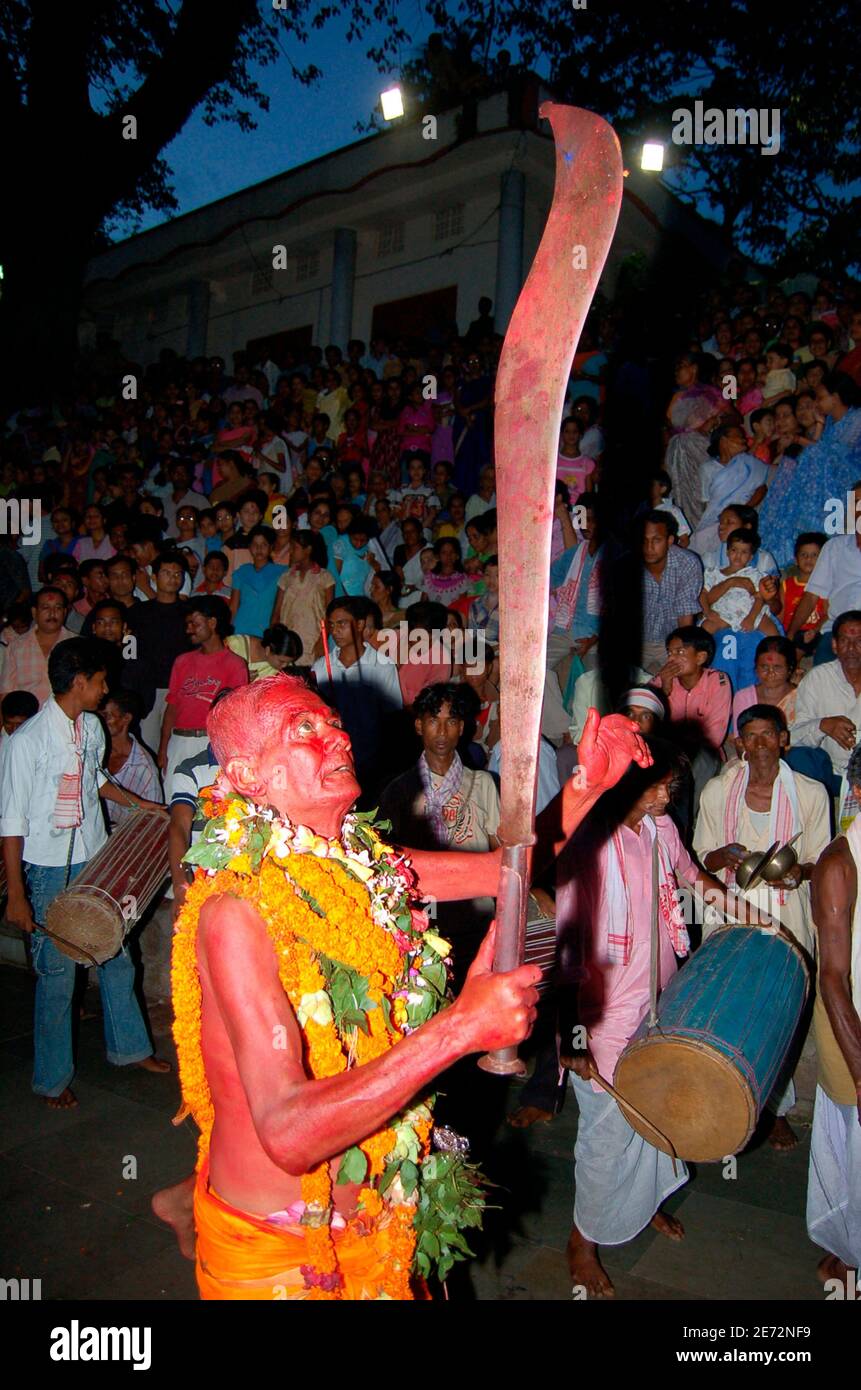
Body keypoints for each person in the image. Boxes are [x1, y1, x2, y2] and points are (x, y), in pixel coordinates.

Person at [152, 676, 649, 1296]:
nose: (336, 736)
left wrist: (589, 784)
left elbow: (504, 870)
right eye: (304, 729)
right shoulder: (236, 911)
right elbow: (286, 1134)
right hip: (280, 1248)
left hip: (378, 1210)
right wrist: (462, 1027)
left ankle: (180, 1199)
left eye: (332, 722)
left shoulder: (363, 863)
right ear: (252, 777)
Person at [559, 740, 772, 1298]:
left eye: (670, 790)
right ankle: (583, 1240)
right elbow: (557, 943)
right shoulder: (589, 844)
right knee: (605, 1134)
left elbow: (697, 883)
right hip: (601, 1013)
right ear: (626, 784)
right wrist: (567, 1039)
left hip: (660, 995)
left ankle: (638, 1205)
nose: (667, 797)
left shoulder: (660, 831)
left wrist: (758, 920)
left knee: (654, 1116)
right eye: (658, 787)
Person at [0, 638, 169, 1109]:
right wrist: (17, 893)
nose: (105, 689)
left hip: (95, 858)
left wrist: (143, 807)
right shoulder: (26, 741)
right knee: (57, 973)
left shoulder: (91, 726)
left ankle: (129, 1049)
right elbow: (11, 822)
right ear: (79, 683)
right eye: (99, 681)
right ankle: (52, 1079)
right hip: (48, 869)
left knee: (117, 954)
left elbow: (96, 782)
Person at [694, 704, 830, 1148]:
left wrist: (798, 873)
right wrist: (724, 857)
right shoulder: (717, 792)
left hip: (787, 909)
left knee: (779, 1009)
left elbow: (820, 860)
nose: (760, 745)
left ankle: (773, 1109)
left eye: (768, 735)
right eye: (750, 737)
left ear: (784, 739)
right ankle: (729, 1101)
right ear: (740, 744)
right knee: (733, 1006)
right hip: (731, 910)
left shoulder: (809, 793)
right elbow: (699, 858)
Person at [807, 741, 861, 1282]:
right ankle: (846, 1255)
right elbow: (834, 979)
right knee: (852, 1144)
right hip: (849, 1020)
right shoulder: (840, 865)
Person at [311, 596, 403, 795]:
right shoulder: (320, 667)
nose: (335, 631)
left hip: (371, 760)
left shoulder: (383, 666)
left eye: (342, 624)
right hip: (333, 758)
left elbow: (393, 719)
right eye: (332, 625)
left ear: (360, 624)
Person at [159, 596, 249, 794]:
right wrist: (164, 748)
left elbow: (235, 715)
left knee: (210, 804)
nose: (189, 629)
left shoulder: (234, 664)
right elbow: (172, 706)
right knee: (174, 800)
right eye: (188, 624)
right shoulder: (182, 661)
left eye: (195, 623)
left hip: (210, 743)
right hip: (179, 741)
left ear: (213, 622)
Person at [652, 626, 731, 810]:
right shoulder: (661, 680)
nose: (671, 658)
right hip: (668, 751)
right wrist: (664, 690)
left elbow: (715, 736)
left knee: (700, 757)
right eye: (669, 652)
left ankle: (685, 820)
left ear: (700, 657)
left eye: (679, 652)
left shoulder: (717, 681)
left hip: (703, 754)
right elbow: (647, 722)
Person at [127, 551, 192, 753]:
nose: (173, 578)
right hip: (149, 690)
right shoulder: (138, 612)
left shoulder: (190, 611)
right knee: (148, 745)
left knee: (177, 746)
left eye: (177, 574)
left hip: (181, 689)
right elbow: (130, 652)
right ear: (154, 577)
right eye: (166, 573)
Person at [793, 611, 861, 798]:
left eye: (859, 641)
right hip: (830, 775)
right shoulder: (818, 678)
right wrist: (823, 725)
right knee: (799, 757)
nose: (852, 649)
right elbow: (794, 737)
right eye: (845, 641)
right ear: (834, 645)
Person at [788, 496, 861, 665]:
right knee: (824, 676)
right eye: (856, 502)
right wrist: (791, 634)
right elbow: (812, 595)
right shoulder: (834, 547)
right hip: (837, 631)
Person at [638, 512, 703, 674]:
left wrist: (680, 657)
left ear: (670, 541)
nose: (649, 547)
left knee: (683, 679)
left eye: (656, 540)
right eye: (644, 540)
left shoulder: (687, 563)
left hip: (671, 643)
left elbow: (685, 616)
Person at [0, 587, 75, 708]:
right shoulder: (16, 647)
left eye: (58, 608)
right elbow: (5, 694)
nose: (52, 613)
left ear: (65, 612)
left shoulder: (78, 645)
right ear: (34, 612)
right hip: (27, 721)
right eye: (46, 608)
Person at [271, 530, 333, 667]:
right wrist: (274, 640)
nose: (291, 551)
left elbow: (330, 615)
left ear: (308, 550)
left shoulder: (325, 577)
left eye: (295, 548)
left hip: (313, 641)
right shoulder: (286, 577)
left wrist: (322, 641)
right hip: (287, 641)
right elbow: (276, 612)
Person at [102, 690, 163, 827]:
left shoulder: (144, 768)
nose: (100, 720)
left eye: (107, 716)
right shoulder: (95, 751)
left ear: (126, 718)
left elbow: (152, 821)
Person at [230, 525, 281, 638]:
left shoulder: (282, 573)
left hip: (266, 633)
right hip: (240, 630)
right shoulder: (241, 572)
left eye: (264, 545)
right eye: (255, 545)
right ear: (249, 547)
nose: (259, 549)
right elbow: (233, 607)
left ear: (271, 547)